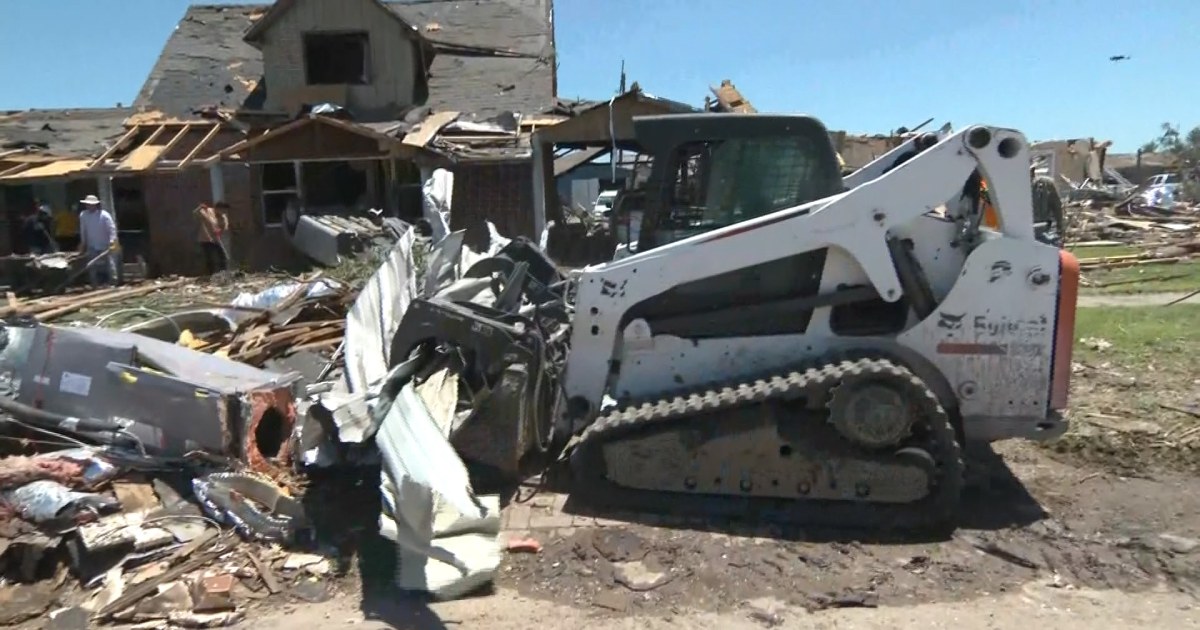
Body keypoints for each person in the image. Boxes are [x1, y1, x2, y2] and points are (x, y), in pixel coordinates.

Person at [77, 194, 118, 287]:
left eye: (91, 204)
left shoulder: (104, 215)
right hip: (92, 244)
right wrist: (83, 243)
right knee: (92, 265)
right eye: (87, 204)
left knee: (109, 263)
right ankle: (94, 284)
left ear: (95, 205)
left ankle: (113, 281)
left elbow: (112, 229)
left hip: (104, 243)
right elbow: (83, 230)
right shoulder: (83, 215)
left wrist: (112, 241)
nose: (89, 206)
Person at [194, 202, 230, 275]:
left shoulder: (223, 217)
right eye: (222, 210)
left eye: (225, 211)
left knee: (223, 256)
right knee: (209, 257)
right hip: (205, 239)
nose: (223, 212)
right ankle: (210, 275)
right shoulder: (208, 211)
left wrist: (220, 231)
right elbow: (195, 214)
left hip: (216, 239)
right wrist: (199, 208)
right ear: (217, 208)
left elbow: (225, 228)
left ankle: (225, 273)